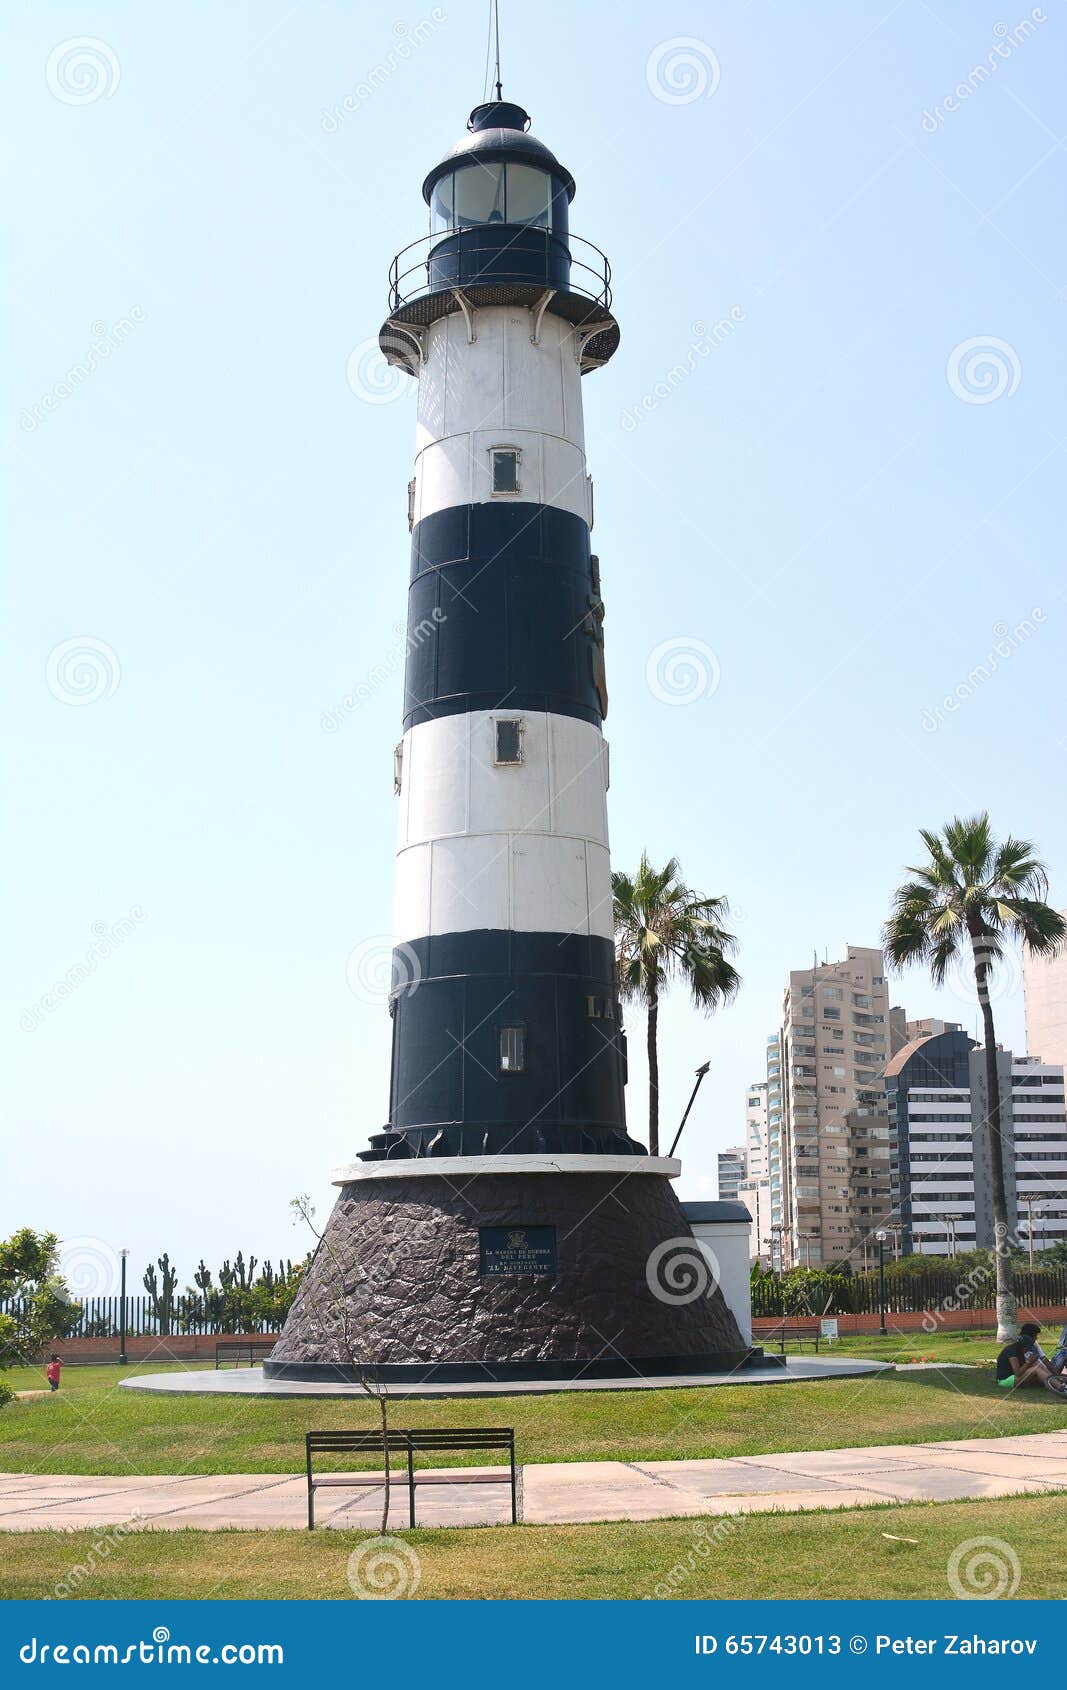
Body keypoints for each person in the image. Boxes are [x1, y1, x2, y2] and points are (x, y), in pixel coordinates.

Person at [995, 1322, 1067, 1396]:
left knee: (1037, 1364)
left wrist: (1032, 1362)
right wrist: (1029, 1362)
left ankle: (1057, 1382)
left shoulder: (1019, 1350)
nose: (1028, 1351)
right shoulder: (1012, 1352)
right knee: (1035, 1369)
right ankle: (1061, 1388)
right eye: (1028, 1349)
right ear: (1024, 1347)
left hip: (1015, 1377)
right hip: (1006, 1380)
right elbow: (1018, 1373)